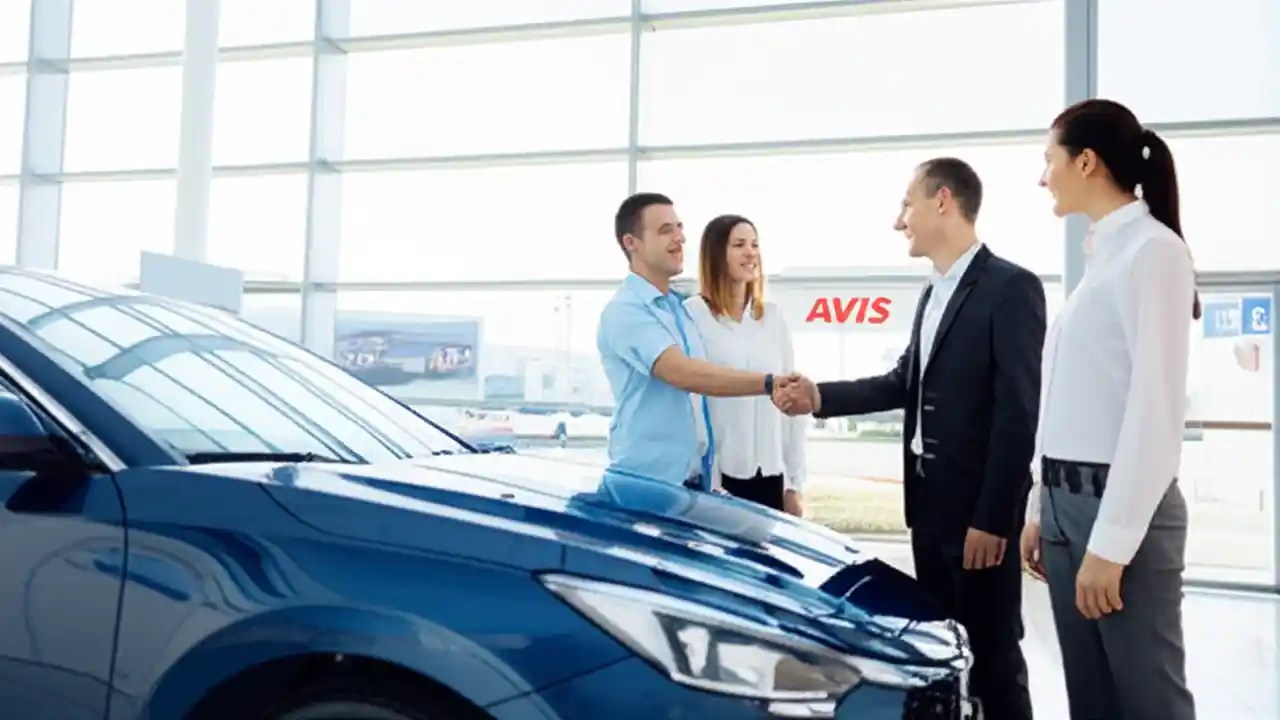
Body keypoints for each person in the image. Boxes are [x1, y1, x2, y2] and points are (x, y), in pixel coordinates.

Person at [778, 158, 1043, 720]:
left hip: (976, 517)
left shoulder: (1011, 288)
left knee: (993, 658)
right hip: (929, 509)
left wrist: (993, 519)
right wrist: (818, 396)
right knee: (942, 656)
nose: (900, 221)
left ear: (942, 201)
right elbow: (904, 382)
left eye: (907, 204)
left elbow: (1018, 415)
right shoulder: (932, 293)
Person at [1019, 98, 1198, 720]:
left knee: (1149, 701)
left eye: (1050, 161)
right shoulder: (1102, 260)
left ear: (1087, 162)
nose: (1043, 177)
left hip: (1118, 509)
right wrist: (1040, 505)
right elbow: (1066, 402)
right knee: (1091, 702)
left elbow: (1155, 412)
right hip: (1066, 506)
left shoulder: (1154, 251)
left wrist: (1113, 544)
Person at [597, 192, 800, 490]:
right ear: (631, 242)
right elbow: (683, 373)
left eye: (679, 228)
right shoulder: (628, 311)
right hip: (648, 482)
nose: (679, 238)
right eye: (665, 230)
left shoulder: (677, 309)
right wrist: (769, 383)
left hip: (692, 481)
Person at [684, 214, 807, 516]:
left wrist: (794, 483)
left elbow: (792, 403)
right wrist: (705, 476)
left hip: (771, 477)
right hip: (717, 479)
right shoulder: (693, 315)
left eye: (754, 244)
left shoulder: (772, 317)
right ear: (716, 254)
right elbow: (691, 402)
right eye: (739, 245)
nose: (751, 253)